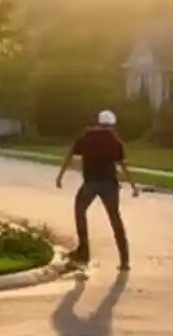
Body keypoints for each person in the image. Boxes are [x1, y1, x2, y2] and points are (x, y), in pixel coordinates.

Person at [56, 110, 139, 271]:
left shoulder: (87, 136)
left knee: (80, 211)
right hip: (109, 185)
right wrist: (133, 186)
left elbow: (70, 154)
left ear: (98, 122)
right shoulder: (115, 141)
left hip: (91, 183)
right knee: (115, 218)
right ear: (112, 125)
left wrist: (60, 175)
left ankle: (84, 250)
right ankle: (124, 259)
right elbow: (123, 165)